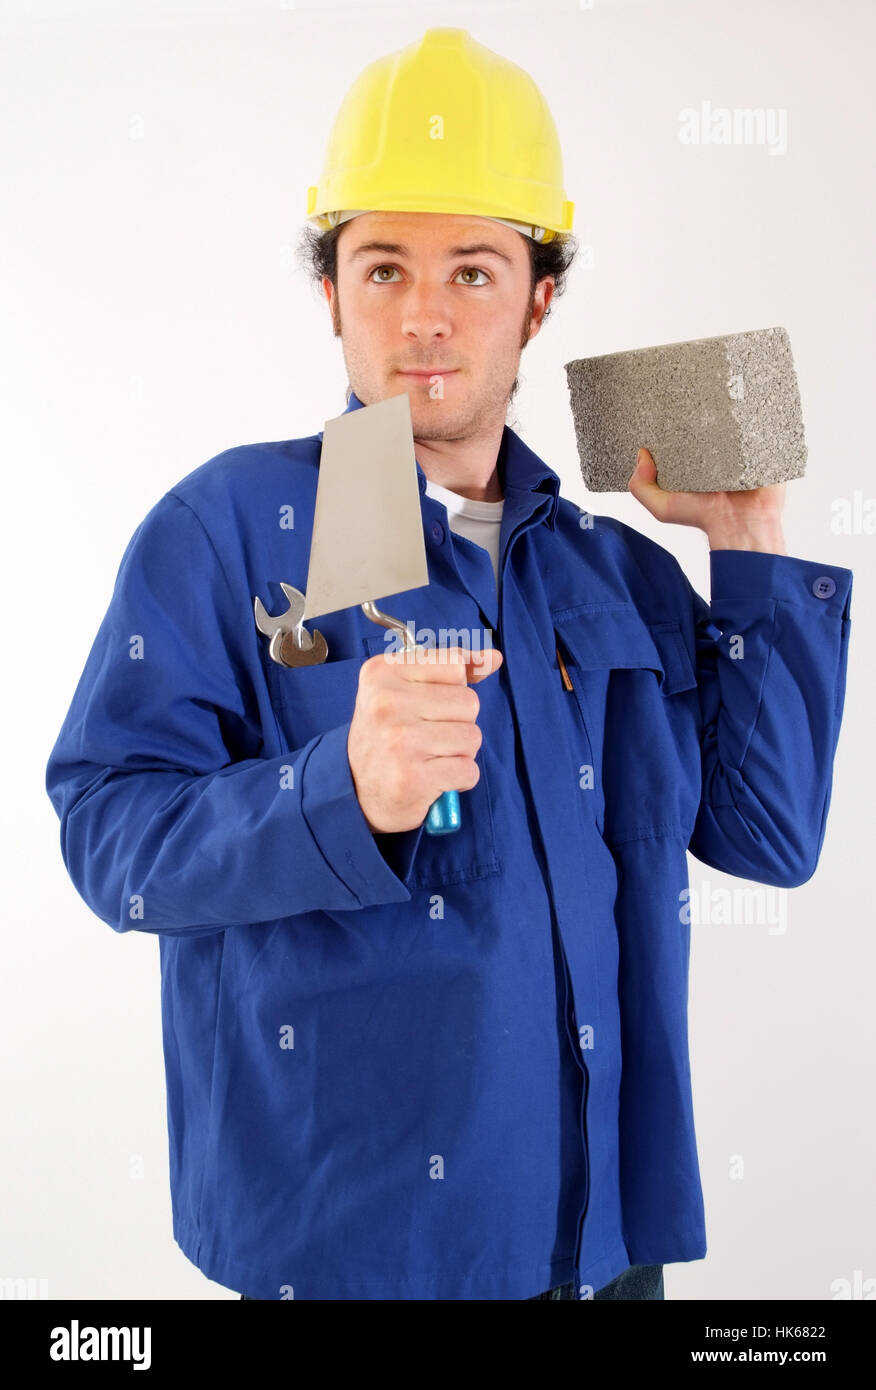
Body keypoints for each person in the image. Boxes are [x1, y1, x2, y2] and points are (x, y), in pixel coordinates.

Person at [45, 28, 852, 1301]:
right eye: (382, 268)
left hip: (600, 1246)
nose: (424, 314)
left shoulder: (614, 571)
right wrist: (334, 793)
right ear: (331, 295)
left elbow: (767, 838)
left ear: (540, 297)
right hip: (353, 1255)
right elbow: (107, 834)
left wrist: (748, 543)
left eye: (474, 270)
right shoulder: (230, 530)